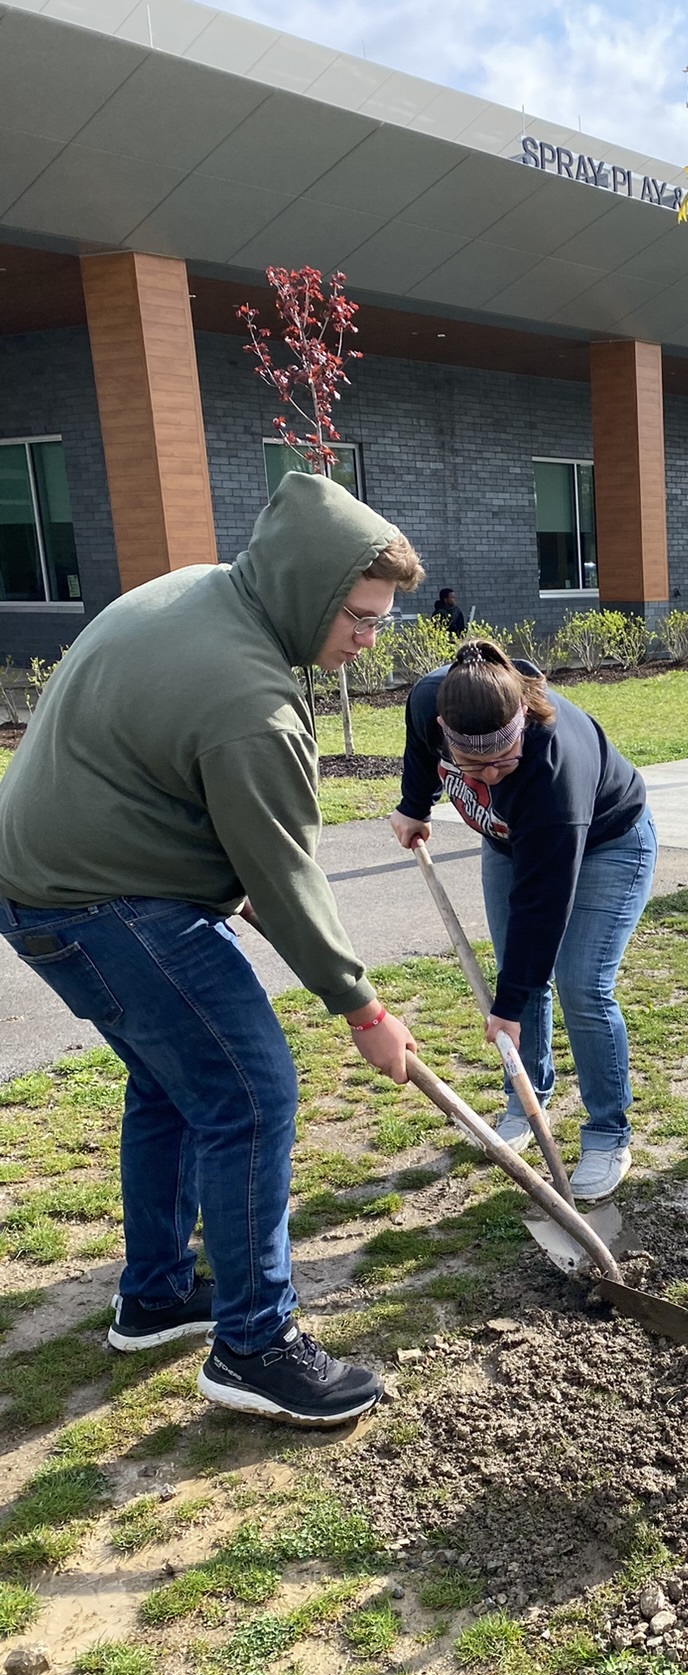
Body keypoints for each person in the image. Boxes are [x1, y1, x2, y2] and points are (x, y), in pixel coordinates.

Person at [0, 471, 423, 1427]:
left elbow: (220, 830)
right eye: (358, 616)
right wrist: (365, 1010)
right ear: (310, 592)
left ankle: (154, 1296)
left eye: (381, 621)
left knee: (174, 1086)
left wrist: (215, 882)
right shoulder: (252, 701)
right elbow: (283, 873)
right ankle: (255, 1345)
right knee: (250, 1093)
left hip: (42, 891)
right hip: (107, 905)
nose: (367, 638)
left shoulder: (199, 588)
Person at [389, 640, 655, 1201]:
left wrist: (506, 1009)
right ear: (448, 730)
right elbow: (419, 747)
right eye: (472, 765)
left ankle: (609, 1133)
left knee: (582, 984)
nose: (489, 776)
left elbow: (544, 903)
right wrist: (416, 804)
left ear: (522, 723)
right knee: (519, 977)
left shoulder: (555, 767)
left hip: (610, 842)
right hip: (509, 842)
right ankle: (526, 1104)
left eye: (503, 762)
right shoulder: (430, 701)